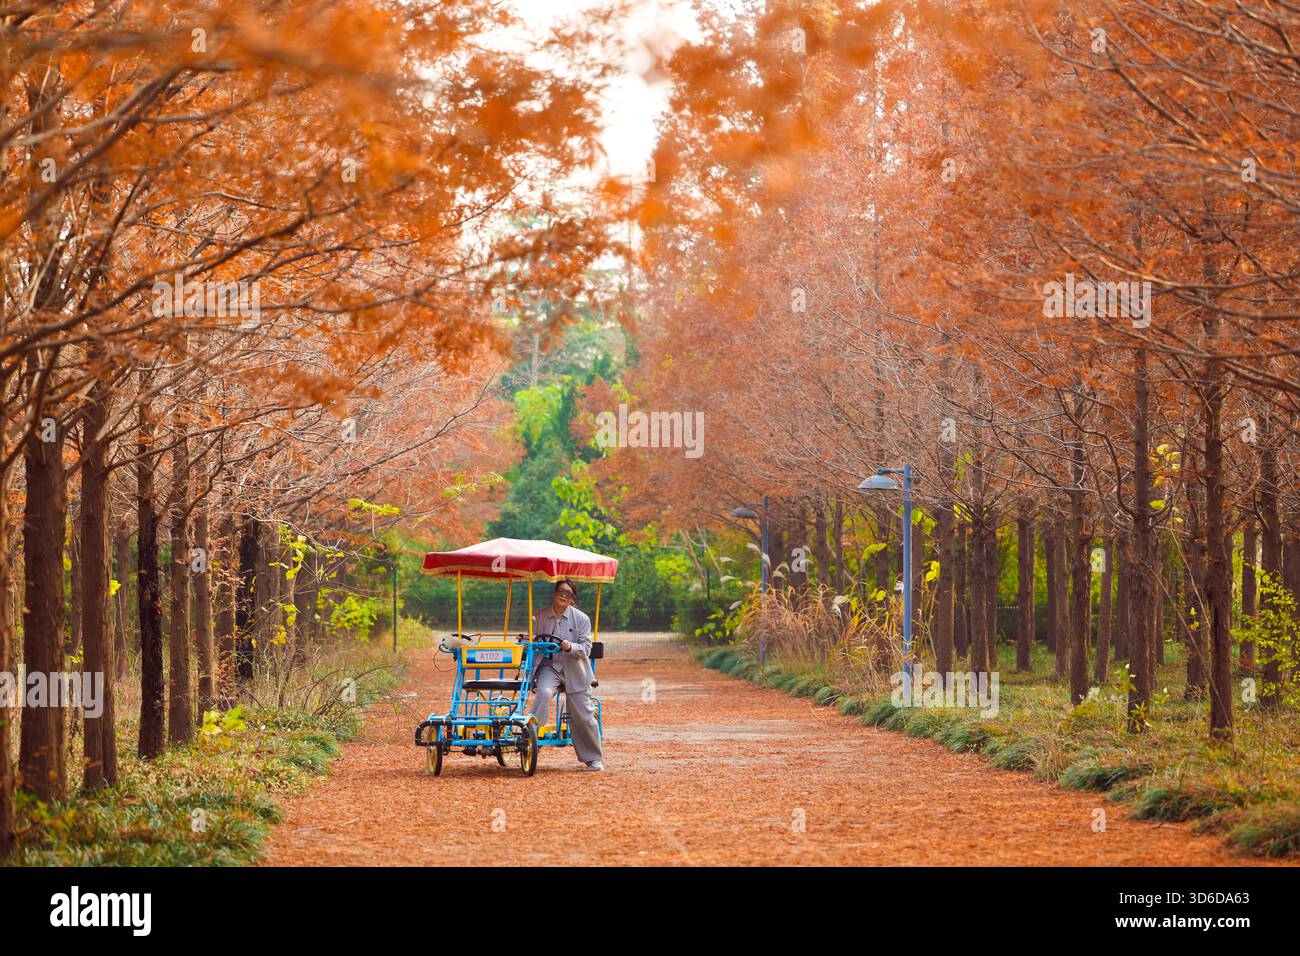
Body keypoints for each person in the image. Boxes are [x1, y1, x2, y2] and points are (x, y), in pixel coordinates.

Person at [526, 579, 605, 771]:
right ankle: (530, 739)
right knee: (544, 693)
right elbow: (533, 643)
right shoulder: (540, 616)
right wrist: (526, 641)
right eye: (561, 591)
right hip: (550, 667)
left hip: (576, 670)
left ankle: (593, 758)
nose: (563, 595)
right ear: (554, 593)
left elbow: (586, 648)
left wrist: (571, 646)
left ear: (572, 599)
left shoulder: (582, 619)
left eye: (568, 593)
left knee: (583, 714)